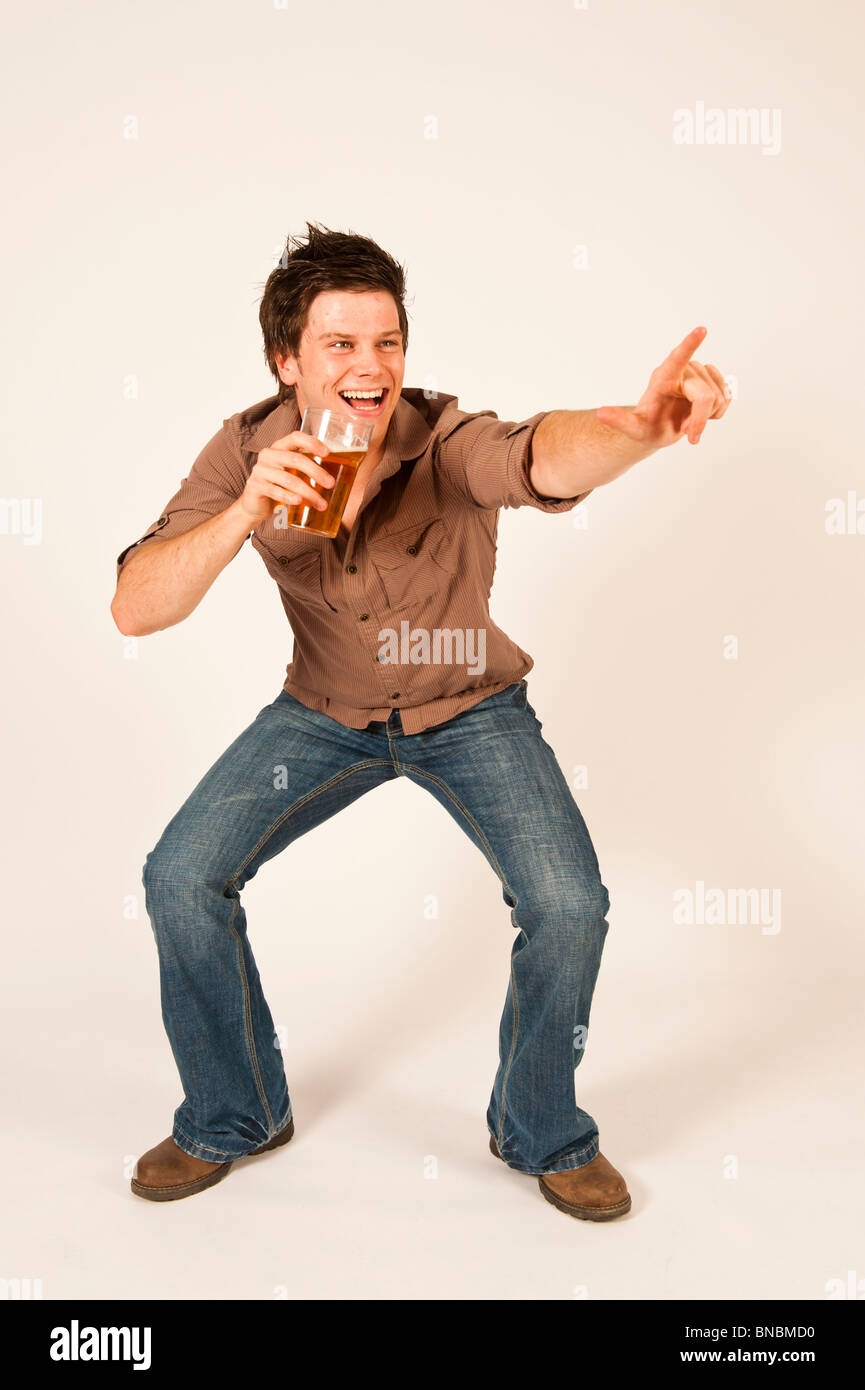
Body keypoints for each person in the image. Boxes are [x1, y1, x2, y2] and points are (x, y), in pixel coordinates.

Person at [111, 221, 731, 1217]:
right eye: (341, 345)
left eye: (387, 342)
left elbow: (538, 458)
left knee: (569, 904)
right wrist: (240, 515)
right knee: (180, 874)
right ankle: (237, 1111)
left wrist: (637, 427)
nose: (371, 367)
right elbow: (137, 606)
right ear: (287, 360)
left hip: (467, 705)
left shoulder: (441, 437)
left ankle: (538, 1126)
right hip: (324, 715)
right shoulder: (242, 451)